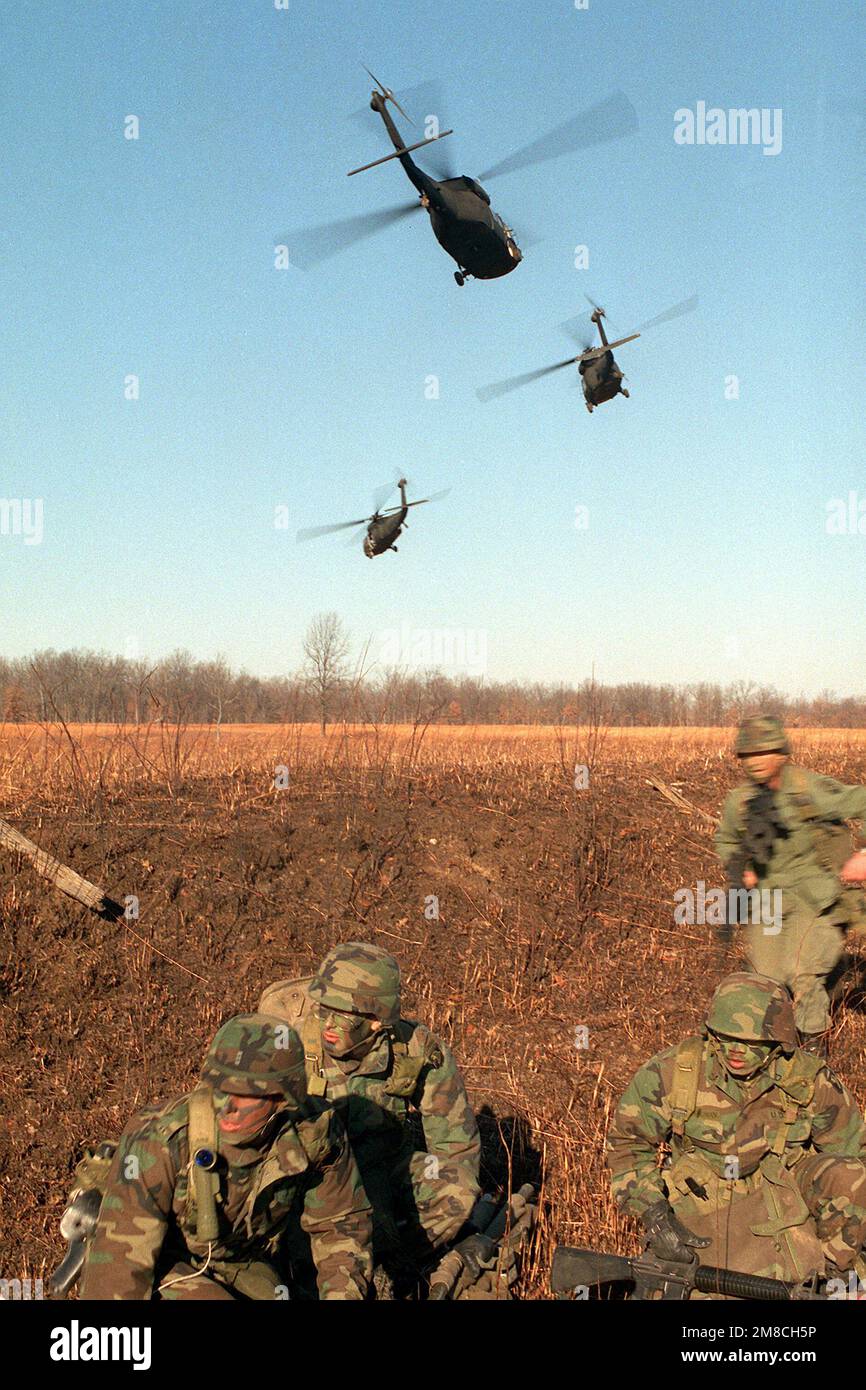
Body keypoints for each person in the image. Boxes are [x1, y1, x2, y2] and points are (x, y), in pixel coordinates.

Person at [79, 1014, 372, 1300]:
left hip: (243, 1261)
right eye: (220, 1087)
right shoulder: (162, 1138)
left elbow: (340, 1227)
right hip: (163, 1259)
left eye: (245, 1094)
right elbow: (120, 1264)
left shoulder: (315, 1133)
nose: (226, 1105)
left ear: (284, 1098)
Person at [606, 973, 866, 1291]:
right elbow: (628, 1143)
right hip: (701, 1207)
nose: (736, 1052)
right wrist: (654, 1213)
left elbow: (855, 1153)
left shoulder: (808, 1080)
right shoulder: (674, 1072)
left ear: (777, 1040)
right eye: (727, 1037)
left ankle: (829, 1282)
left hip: (787, 1200)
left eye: (750, 1042)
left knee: (849, 1173)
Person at [259, 941, 480, 1276]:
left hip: (378, 1173)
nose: (327, 1024)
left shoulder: (415, 1050)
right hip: (305, 1178)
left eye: (343, 1016)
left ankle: (393, 1268)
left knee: (457, 1188)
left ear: (377, 1020)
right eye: (324, 1009)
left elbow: (456, 1149)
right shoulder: (286, 1041)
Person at [715, 714, 866, 1051]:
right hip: (769, 902)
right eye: (748, 755)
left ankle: (813, 1059)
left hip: (818, 898)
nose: (756, 762)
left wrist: (864, 855)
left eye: (765, 752)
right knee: (765, 979)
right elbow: (725, 841)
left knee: (802, 973)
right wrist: (742, 869)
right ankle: (771, 1052)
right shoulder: (739, 803)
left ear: (782, 753)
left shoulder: (807, 789)